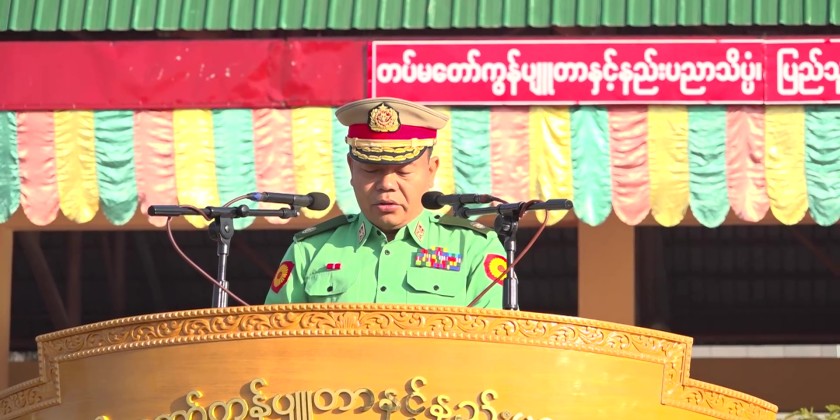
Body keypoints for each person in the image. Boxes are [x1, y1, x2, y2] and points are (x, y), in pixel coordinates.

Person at [264, 97, 507, 308]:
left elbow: (490, 340)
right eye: (371, 171)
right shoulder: (310, 250)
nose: (387, 184)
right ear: (351, 168)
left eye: (403, 171)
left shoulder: (473, 248)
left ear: (431, 171)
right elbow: (274, 337)